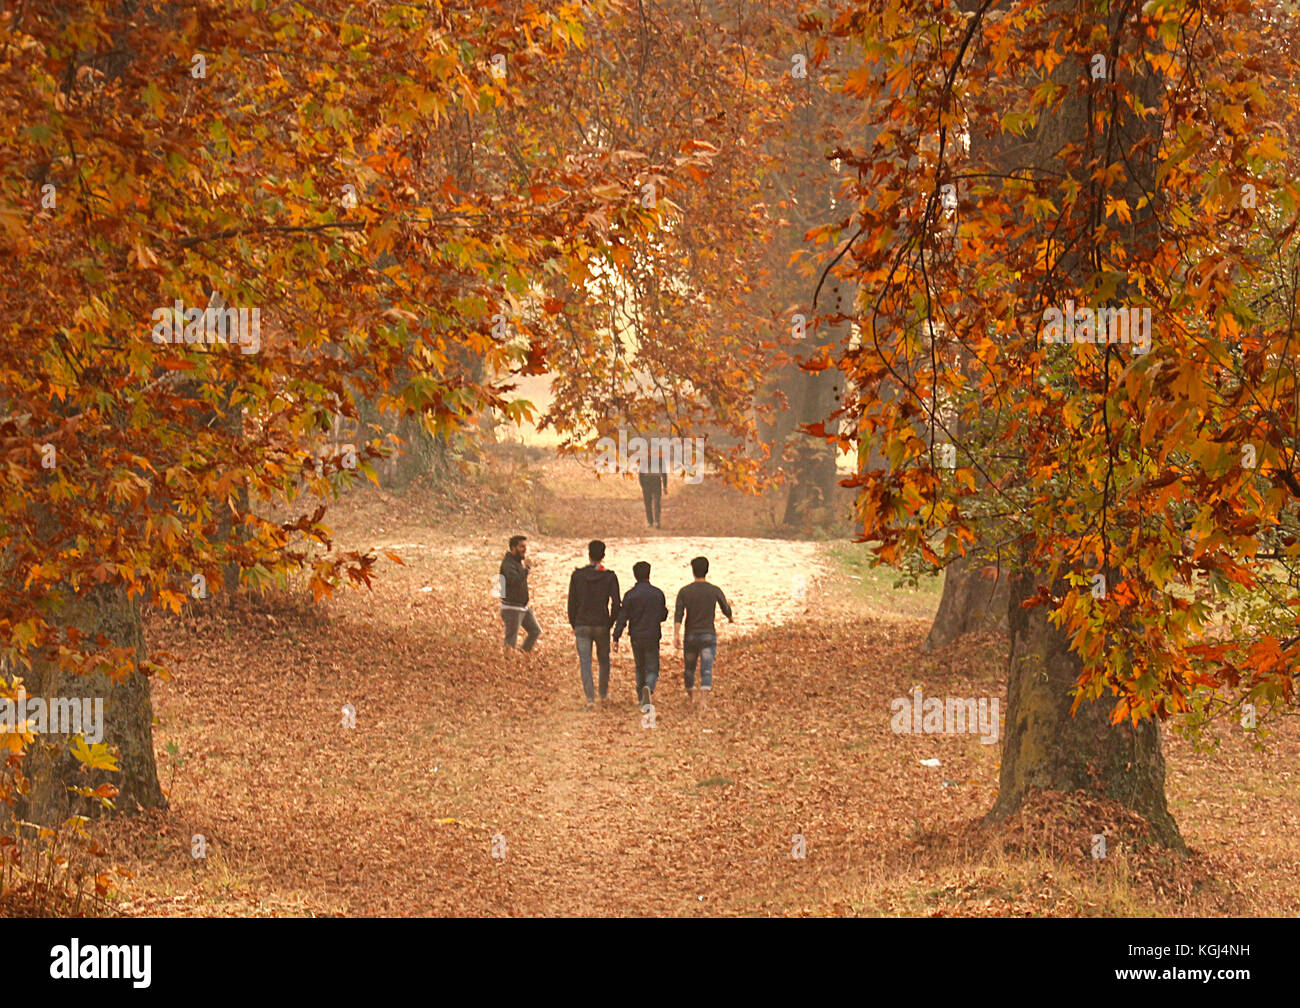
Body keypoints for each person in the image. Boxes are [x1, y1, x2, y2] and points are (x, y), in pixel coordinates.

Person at [673, 556, 733, 711]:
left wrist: (676, 635)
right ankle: (703, 701)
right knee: (706, 668)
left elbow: (679, 614)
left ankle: (692, 697)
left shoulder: (684, 591)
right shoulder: (714, 590)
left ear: (692, 571)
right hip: (708, 635)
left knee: (689, 669)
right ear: (707, 570)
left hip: (691, 636)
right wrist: (730, 617)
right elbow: (725, 607)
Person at [567, 539, 621, 709]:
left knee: (585, 662)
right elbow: (617, 603)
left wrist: (574, 622)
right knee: (604, 660)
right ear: (603, 555)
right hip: (601, 623)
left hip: (582, 622)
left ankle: (590, 699)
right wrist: (610, 622)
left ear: (588, 554)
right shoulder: (609, 576)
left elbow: (571, 602)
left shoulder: (577, 576)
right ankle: (603, 694)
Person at [612, 561, 668, 712]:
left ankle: (640, 697)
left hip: (636, 636)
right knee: (653, 668)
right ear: (649, 573)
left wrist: (616, 636)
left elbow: (622, 618)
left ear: (634, 575)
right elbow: (663, 615)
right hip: (652, 635)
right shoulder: (657, 593)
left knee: (639, 667)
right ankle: (648, 689)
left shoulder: (630, 595)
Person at [499, 535, 540, 654]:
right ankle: (507, 665)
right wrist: (526, 569)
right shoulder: (507, 564)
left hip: (522, 606)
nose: (524, 549)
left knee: (535, 630)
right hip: (511, 608)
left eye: (525, 546)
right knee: (510, 642)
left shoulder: (516, 562)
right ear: (513, 548)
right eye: (521, 546)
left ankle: (522, 657)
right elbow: (514, 580)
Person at [637, 450, 667, 529]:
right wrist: (642, 485)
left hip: (656, 482)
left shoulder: (660, 460)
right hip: (648, 482)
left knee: (656, 503)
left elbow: (664, 473)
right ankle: (650, 522)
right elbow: (641, 474)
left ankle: (656, 521)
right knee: (648, 503)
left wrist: (665, 485)